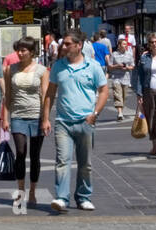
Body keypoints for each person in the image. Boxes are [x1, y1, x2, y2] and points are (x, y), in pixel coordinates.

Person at [43, 30, 108, 212]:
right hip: (63, 121)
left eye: (67, 44)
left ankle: (83, 197)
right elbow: (50, 93)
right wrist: (45, 118)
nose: (63, 47)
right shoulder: (58, 66)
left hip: (86, 121)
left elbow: (103, 90)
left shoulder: (93, 66)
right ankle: (62, 197)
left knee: (85, 163)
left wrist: (95, 113)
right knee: (62, 161)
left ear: (79, 46)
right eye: (63, 44)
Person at [0, 37, 47, 212]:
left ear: (32, 52)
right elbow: (7, 96)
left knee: (35, 155)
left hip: (37, 115)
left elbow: (45, 96)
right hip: (18, 115)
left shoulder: (42, 70)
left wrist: (46, 118)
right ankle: (21, 191)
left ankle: (33, 190)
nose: (20, 53)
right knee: (20, 152)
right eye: (18, 50)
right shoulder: (10, 69)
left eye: (24, 50)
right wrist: (5, 118)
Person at [106, 37, 136, 122]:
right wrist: (117, 66)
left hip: (126, 78)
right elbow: (110, 66)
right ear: (119, 45)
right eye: (123, 44)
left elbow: (132, 66)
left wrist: (127, 67)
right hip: (116, 78)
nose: (125, 46)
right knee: (117, 94)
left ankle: (121, 111)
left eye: (126, 44)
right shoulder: (114, 54)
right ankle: (119, 113)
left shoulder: (129, 54)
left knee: (123, 96)